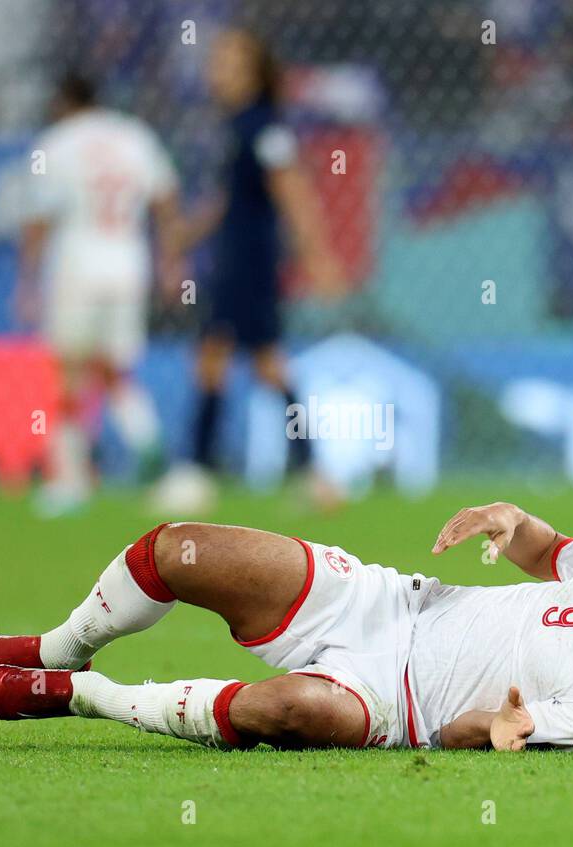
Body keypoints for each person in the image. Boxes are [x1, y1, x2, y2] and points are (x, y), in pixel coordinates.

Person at [0, 501, 573, 751]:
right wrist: (511, 521)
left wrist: (499, 731)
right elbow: (553, 552)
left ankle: (79, 694)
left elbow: (480, 734)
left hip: (388, 700)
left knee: (292, 713)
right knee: (182, 550)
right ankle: (57, 646)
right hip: (390, 604)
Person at [152, 28, 346, 514]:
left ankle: (195, 471)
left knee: (220, 357)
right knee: (263, 363)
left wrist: (317, 253)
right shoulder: (239, 126)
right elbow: (230, 200)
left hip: (250, 262)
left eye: (230, 62)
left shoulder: (265, 127)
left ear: (254, 73)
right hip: (235, 257)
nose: (218, 70)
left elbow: (293, 190)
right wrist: (188, 234)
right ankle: (311, 474)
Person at [17, 72, 183, 515]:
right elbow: (166, 196)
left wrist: (28, 280)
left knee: (69, 372)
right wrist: (171, 260)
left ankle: (70, 481)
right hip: (129, 263)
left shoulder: (56, 143)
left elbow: (38, 216)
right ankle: (158, 469)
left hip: (78, 263)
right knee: (116, 373)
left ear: (65, 102)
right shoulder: (134, 136)